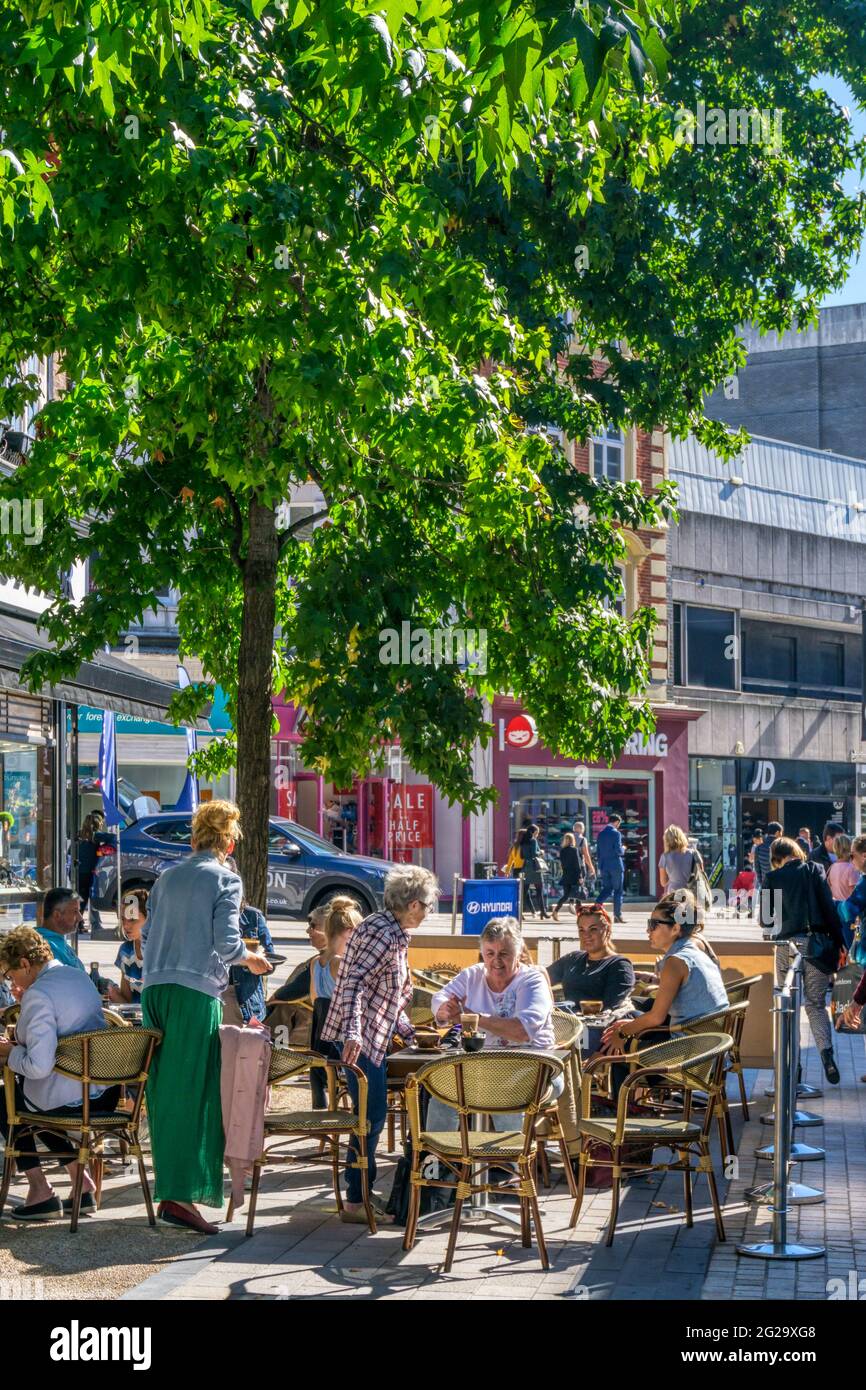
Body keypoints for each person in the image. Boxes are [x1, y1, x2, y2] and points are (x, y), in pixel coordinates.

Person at [141, 800, 271, 1234]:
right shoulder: (226, 879)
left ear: (195, 838)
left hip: (154, 989)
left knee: (165, 1092)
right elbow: (228, 944)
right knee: (193, 1092)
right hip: (194, 990)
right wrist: (252, 959)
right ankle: (179, 1197)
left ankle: (175, 1191)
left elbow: (153, 933)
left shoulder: (166, 877)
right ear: (229, 841)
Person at [321, 864, 439, 1224]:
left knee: (371, 1117)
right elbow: (353, 983)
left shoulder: (394, 932)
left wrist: (408, 1028)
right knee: (368, 1119)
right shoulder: (382, 933)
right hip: (362, 1041)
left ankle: (361, 1191)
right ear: (414, 904)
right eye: (430, 905)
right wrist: (353, 1032)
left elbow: (386, 995)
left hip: (374, 1036)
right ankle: (356, 1200)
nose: (430, 911)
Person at [0, 926, 116, 1220]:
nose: (13, 982)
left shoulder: (39, 994)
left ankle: (40, 1190)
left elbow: (38, 1067)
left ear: (25, 964)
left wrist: (10, 1052)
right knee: (27, 1102)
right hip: (104, 1089)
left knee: (6, 1101)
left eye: (12, 975)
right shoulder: (78, 976)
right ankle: (81, 1181)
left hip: (73, 1096)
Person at [600, 891, 729, 1095]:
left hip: (690, 1056)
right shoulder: (693, 951)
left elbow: (656, 1017)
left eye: (653, 924)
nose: (647, 930)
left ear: (675, 928)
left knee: (618, 1052)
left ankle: (621, 1114)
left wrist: (622, 1033)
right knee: (629, 1029)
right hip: (711, 1049)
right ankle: (631, 1108)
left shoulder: (676, 961)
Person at [764, 837, 844, 1085]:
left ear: (777, 858)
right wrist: (840, 941)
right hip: (816, 946)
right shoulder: (815, 870)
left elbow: (768, 921)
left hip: (786, 947)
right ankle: (826, 1054)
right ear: (797, 852)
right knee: (815, 1004)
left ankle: (794, 1067)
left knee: (788, 1008)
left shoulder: (773, 878)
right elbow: (829, 910)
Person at [309, 896, 361, 1081]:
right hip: (340, 1039)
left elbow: (314, 1000)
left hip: (320, 1040)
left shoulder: (315, 963)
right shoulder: (341, 964)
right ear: (350, 932)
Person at [546, 904, 635, 1011]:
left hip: (597, 1024)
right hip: (568, 1022)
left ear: (607, 930)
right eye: (581, 930)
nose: (586, 935)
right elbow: (541, 978)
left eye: (593, 929)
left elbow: (609, 1009)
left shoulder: (619, 965)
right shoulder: (573, 958)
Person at [223, 857, 275, 1025]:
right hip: (216, 998)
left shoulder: (253, 916)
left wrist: (255, 959)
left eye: (227, 876)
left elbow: (270, 958)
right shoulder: (205, 917)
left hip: (248, 1003)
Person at [107, 889, 148, 1005]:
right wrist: (112, 992)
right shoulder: (125, 951)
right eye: (123, 919)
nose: (125, 925)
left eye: (132, 919)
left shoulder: (162, 952)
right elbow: (127, 1002)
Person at [38, 887, 86, 972]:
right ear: (57, 915)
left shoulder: (58, 942)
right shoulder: (45, 948)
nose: (80, 918)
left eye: (79, 911)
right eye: (75, 912)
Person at [593, 813, 626, 924]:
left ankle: (597, 905)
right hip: (615, 865)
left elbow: (598, 852)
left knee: (607, 888)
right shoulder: (616, 834)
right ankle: (617, 915)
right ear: (616, 822)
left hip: (603, 865)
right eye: (618, 824)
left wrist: (599, 865)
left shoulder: (601, 834)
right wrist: (623, 849)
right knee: (618, 890)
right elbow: (618, 851)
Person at [76, 811, 105, 934]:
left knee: (79, 898)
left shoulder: (78, 835)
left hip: (78, 871)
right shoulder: (96, 837)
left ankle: (79, 923)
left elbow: (69, 852)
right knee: (86, 898)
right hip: (89, 872)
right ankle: (79, 924)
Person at [658, 824, 701, 895]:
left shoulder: (664, 857)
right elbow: (701, 874)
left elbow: (663, 882)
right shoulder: (694, 853)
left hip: (673, 893)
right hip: (691, 893)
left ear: (666, 841)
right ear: (682, 837)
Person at [520, 824, 550, 919]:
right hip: (535, 868)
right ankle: (543, 912)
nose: (537, 835)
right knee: (539, 891)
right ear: (533, 832)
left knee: (524, 892)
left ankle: (518, 911)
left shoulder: (523, 842)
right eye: (537, 833)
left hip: (526, 868)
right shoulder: (533, 841)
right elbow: (534, 854)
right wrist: (541, 852)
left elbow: (522, 856)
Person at [552, 833, 582, 921]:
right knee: (578, 895)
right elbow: (577, 864)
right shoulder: (574, 850)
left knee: (566, 895)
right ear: (573, 840)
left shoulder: (562, 850)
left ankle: (556, 911)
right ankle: (580, 915)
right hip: (574, 875)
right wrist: (580, 876)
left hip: (566, 874)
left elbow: (562, 864)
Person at [828, 834, 859, 905]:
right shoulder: (852, 868)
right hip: (849, 911)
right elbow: (855, 895)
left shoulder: (832, 867)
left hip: (836, 909)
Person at [572, 820, 595, 890]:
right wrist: (591, 867)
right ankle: (578, 899)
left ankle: (571, 899)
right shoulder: (582, 839)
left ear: (574, 829)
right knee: (580, 884)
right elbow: (586, 854)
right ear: (581, 829)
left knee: (571, 884)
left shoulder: (568, 838)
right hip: (580, 865)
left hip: (568, 865)